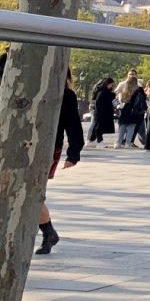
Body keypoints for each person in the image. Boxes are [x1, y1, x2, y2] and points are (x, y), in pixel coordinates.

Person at [36, 67, 84, 255]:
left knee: (33, 192)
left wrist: (73, 154)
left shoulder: (65, 95)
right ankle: (49, 232)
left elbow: (74, 126)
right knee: (30, 192)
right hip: (18, 144)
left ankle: (48, 233)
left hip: (47, 148)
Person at [115, 71, 147, 148]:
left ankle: (118, 143)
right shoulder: (138, 89)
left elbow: (119, 97)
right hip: (135, 109)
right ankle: (128, 143)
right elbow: (144, 98)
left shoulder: (124, 88)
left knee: (123, 126)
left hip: (125, 108)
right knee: (131, 127)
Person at [88, 76, 115, 145]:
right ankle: (99, 141)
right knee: (99, 127)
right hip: (101, 112)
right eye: (111, 85)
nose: (111, 86)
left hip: (102, 112)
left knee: (96, 126)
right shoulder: (102, 92)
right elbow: (102, 102)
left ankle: (91, 140)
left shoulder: (102, 91)